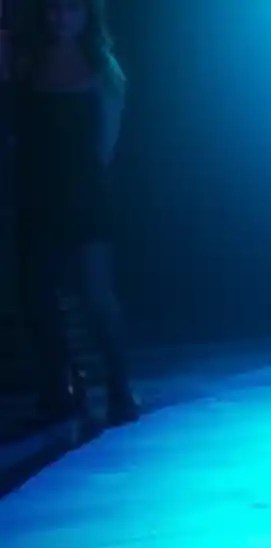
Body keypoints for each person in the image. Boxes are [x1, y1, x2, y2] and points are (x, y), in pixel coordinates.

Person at [12, 0, 138, 428]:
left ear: (87, 14)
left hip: (84, 194)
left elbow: (106, 143)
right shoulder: (28, 63)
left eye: (70, 9)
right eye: (53, 10)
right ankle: (63, 386)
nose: (60, 18)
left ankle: (119, 387)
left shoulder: (103, 70)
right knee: (39, 299)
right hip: (37, 193)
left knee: (96, 295)